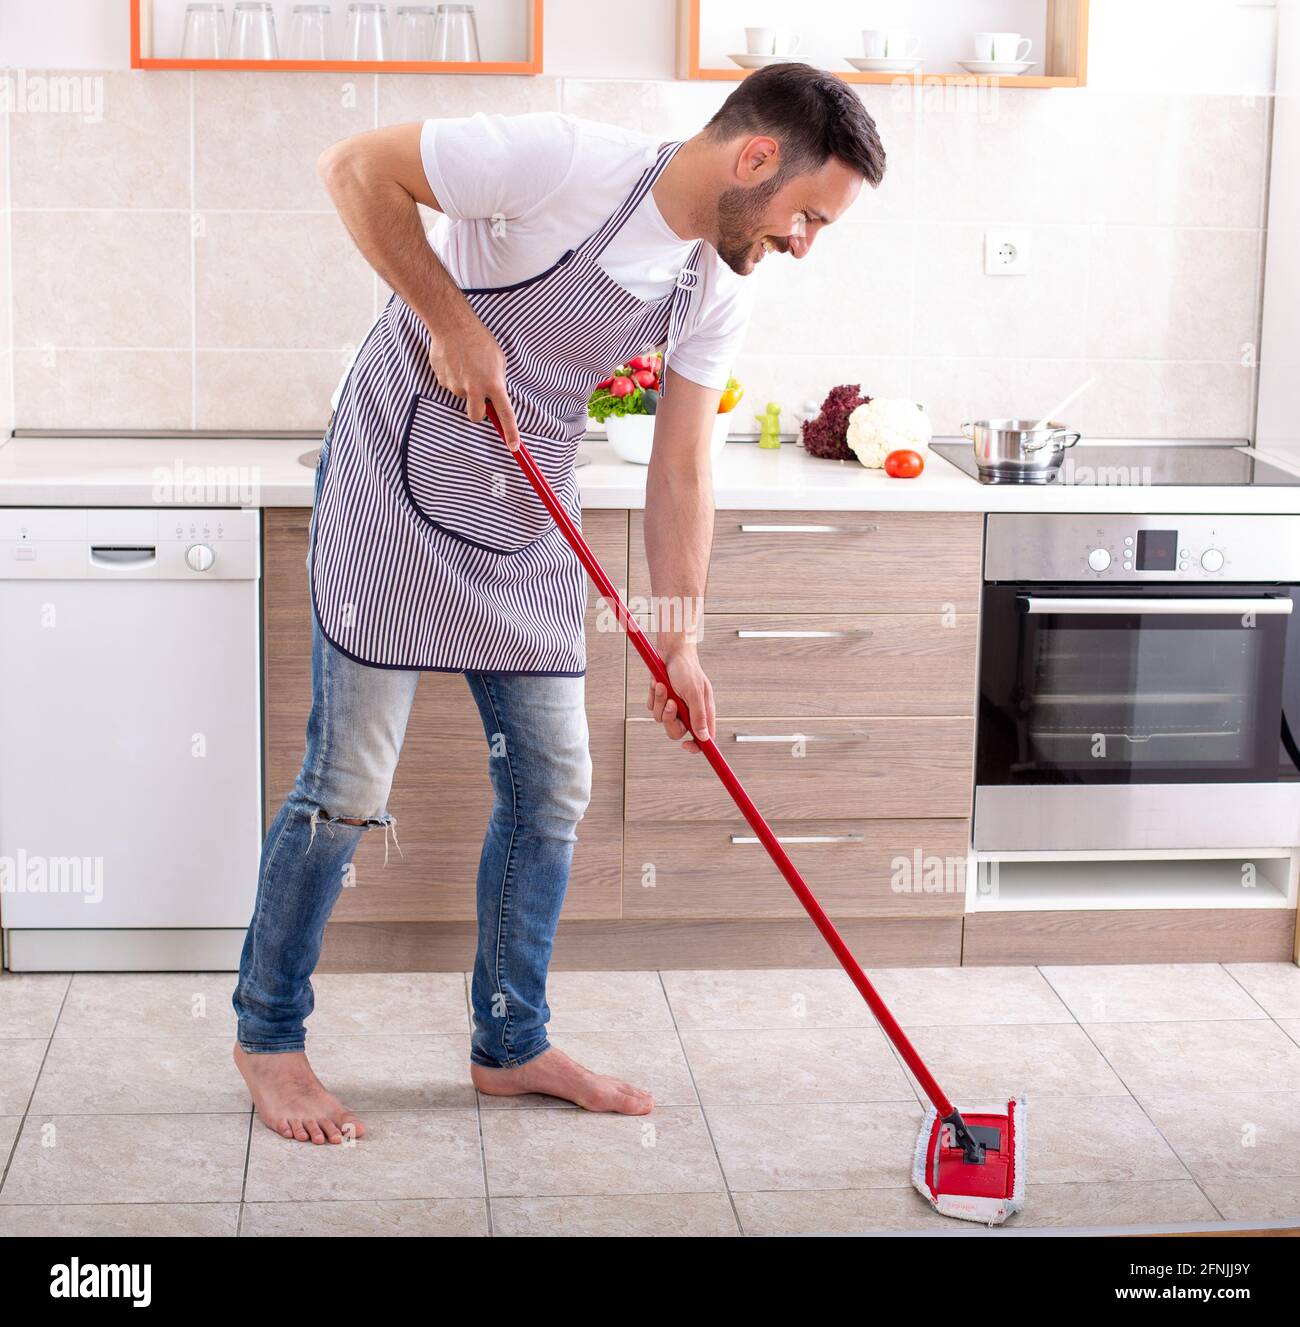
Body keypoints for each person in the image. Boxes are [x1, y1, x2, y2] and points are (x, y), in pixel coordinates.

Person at [232, 62, 886, 1144]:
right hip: (396, 471)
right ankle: (269, 1034)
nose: (804, 241)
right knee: (346, 783)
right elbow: (352, 170)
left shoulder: (717, 282)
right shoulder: (562, 162)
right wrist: (448, 320)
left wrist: (681, 643)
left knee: (552, 786)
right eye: (806, 216)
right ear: (755, 158)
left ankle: (511, 1039)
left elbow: (682, 466)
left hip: (525, 501)